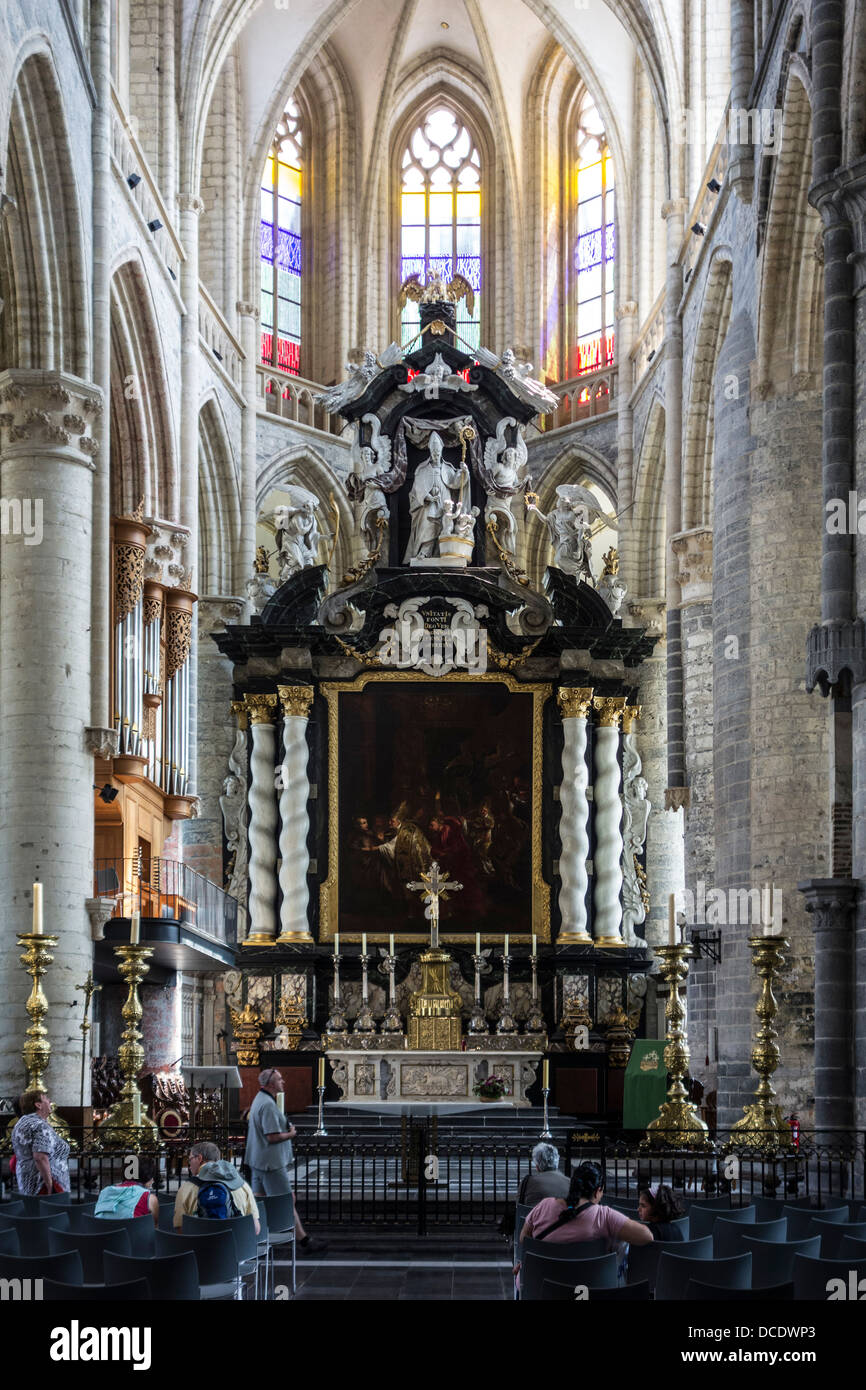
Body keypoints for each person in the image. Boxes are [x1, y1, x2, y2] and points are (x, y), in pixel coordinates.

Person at [246, 1067, 327, 1254]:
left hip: (258, 1160)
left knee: (260, 1201)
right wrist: (291, 1133)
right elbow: (272, 1137)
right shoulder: (267, 1105)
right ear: (271, 1084)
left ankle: (257, 1238)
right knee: (286, 1200)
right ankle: (304, 1240)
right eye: (280, 1080)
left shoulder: (260, 1099)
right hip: (270, 1163)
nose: (283, 1082)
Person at [520, 1160, 653, 1250]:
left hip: (540, 1287)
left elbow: (524, 1241)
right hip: (586, 1288)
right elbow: (647, 1236)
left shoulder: (544, 1205)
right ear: (597, 1191)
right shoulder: (604, 1216)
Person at [173, 1141, 260, 1233]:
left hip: (199, 1246)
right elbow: (255, 1229)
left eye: (190, 1159)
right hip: (237, 1246)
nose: (189, 1165)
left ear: (199, 1158)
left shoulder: (186, 1188)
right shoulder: (242, 1185)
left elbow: (181, 1229)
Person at [10, 1089, 70, 1196]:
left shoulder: (21, 1123)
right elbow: (40, 1157)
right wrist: (49, 1184)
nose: (49, 1100)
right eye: (46, 1098)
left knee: (33, 1211)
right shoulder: (40, 1125)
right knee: (51, 1211)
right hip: (45, 1185)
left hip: (27, 1182)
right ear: (38, 1105)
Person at [95, 1156, 159, 1226]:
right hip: (131, 1235)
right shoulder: (149, 1198)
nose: (153, 1180)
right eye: (152, 1176)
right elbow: (154, 1226)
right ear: (147, 1176)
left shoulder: (105, 1192)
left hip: (101, 1235)